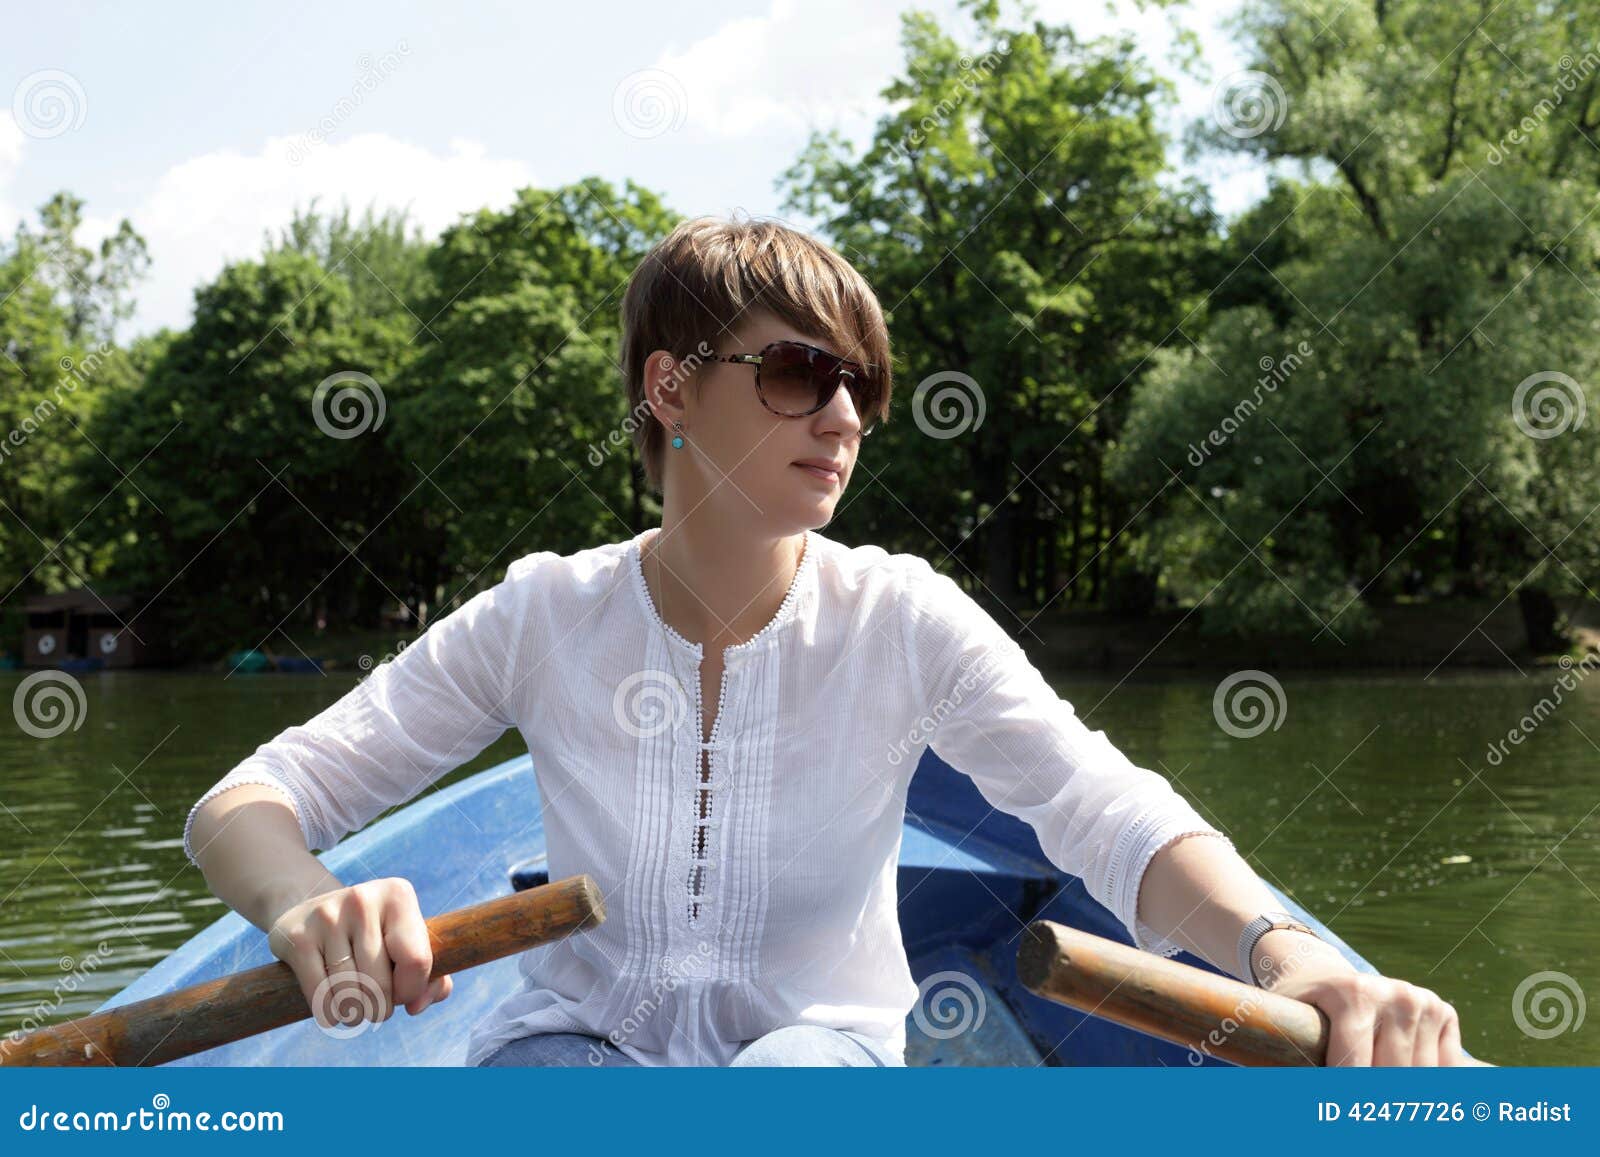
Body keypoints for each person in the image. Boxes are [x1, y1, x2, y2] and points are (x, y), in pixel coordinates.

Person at [184, 215, 1465, 1067]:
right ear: (670, 389)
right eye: (798, 370)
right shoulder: (542, 612)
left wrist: (1282, 949)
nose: (844, 414)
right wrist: (308, 905)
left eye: (863, 383)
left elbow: (1107, 813)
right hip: (576, 1040)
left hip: (823, 1049)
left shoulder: (903, 618)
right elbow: (242, 805)